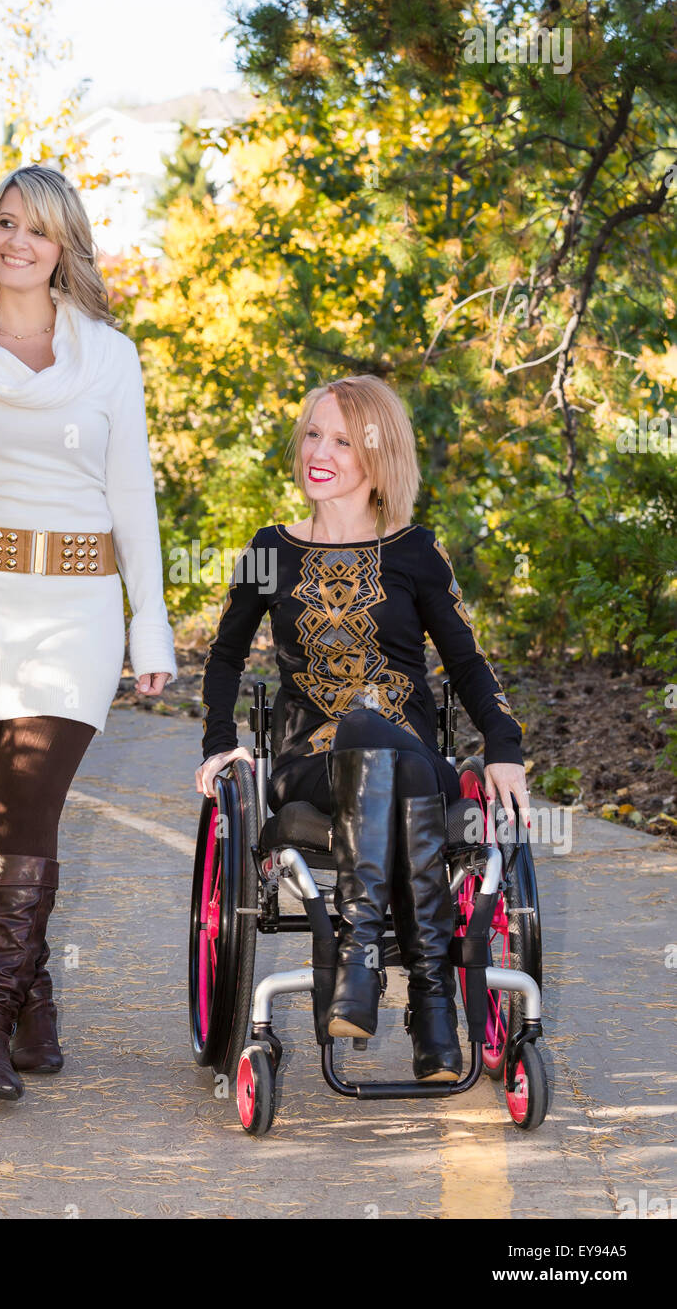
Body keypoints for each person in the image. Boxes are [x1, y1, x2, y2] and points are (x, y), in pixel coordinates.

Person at [0, 164, 176, 1100]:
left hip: (76, 612)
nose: (17, 241)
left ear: (64, 248)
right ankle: (34, 998)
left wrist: (151, 629)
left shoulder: (110, 357)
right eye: (5, 223)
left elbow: (132, 494)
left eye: (38, 230)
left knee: (28, 810)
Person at [195, 375, 530, 1081]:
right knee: (357, 723)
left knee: (379, 731)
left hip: (413, 762)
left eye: (342, 441)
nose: (319, 451)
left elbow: (467, 663)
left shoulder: (414, 552)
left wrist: (503, 748)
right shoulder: (269, 549)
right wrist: (219, 741)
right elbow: (225, 656)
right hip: (308, 767)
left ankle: (359, 955)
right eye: (313, 434)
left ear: (377, 458)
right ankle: (432, 1002)